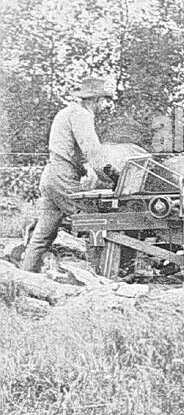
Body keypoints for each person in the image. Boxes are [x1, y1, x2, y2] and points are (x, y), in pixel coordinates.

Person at [20, 77, 114, 272]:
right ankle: (100, 276)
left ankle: (25, 276)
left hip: (52, 175)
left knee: (43, 234)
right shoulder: (81, 115)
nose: (105, 105)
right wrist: (112, 175)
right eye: (104, 101)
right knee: (94, 220)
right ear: (95, 100)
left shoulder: (67, 112)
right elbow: (92, 150)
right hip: (63, 176)